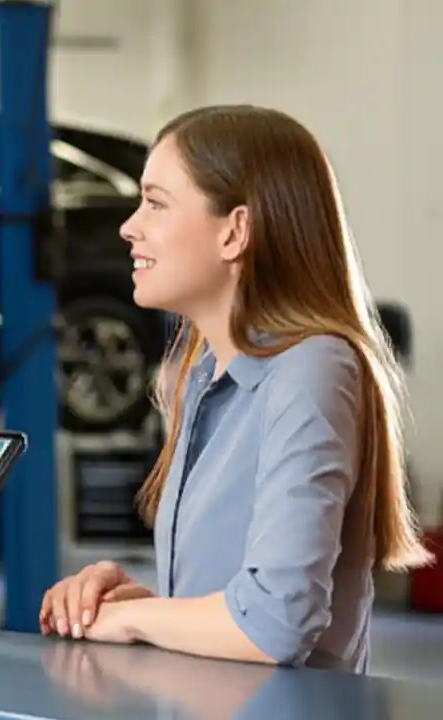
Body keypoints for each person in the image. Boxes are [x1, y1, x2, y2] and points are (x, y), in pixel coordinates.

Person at [38, 105, 433, 672]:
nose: (130, 226)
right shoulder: (200, 376)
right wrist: (137, 602)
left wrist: (130, 621)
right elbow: (238, 612)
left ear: (235, 231)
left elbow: (275, 626)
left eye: (155, 202)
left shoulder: (312, 368)